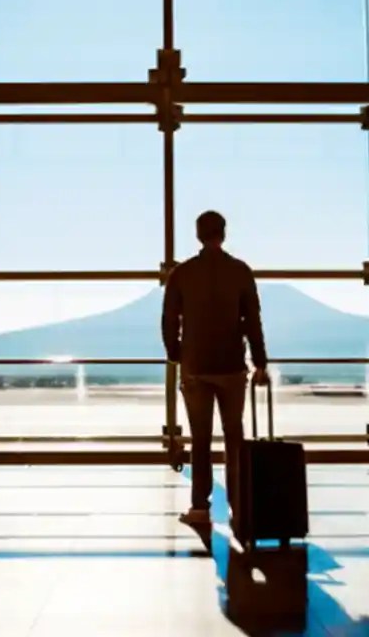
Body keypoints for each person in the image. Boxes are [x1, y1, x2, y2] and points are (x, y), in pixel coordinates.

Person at [162, 210, 270, 526]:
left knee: (200, 438)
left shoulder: (182, 274)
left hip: (196, 366)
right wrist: (260, 362)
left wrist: (177, 354)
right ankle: (238, 507)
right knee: (234, 436)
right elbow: (253, 322)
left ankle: (200, 507)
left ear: (198, 235)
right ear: (224, 234)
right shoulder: (240, 272)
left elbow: (169, 321)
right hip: (232, 367)